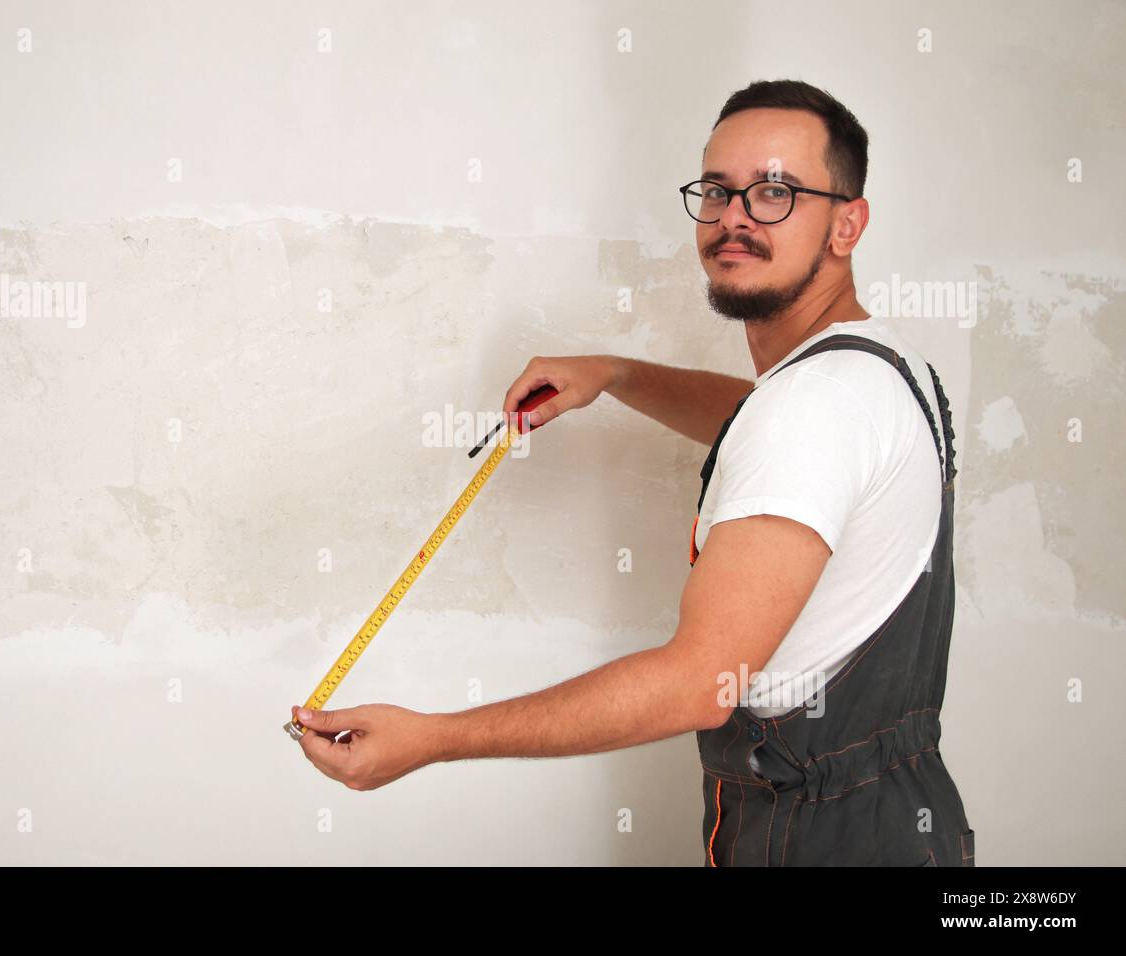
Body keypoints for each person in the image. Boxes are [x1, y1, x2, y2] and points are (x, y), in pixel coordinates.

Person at [291, 78, 974, 867]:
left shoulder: (812, 408)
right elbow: (760, 425)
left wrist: (435, 739)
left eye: (776, 191)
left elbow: (697, 684)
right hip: (900, 816)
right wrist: (616, 374)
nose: (735, 217)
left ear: (847, 222)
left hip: (816, 840)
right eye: (717, 190)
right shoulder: (878, 370)